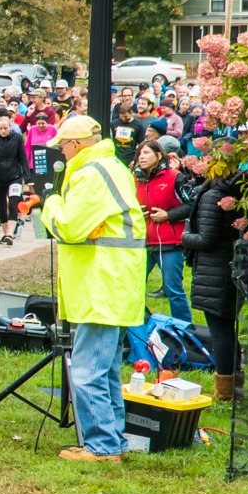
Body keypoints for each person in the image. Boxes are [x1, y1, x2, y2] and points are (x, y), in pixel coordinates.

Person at [38, 114, 146, 462]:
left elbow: (68, 227)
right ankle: (113, 438)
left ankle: (102, 447)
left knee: (87, 371)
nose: (62, 153)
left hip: (101, 284)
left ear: (76, 145)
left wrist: (50, 203)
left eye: (63, 146)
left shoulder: (90, 174)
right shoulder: (110, 165)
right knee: (106, 369)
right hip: (112, 283)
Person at [180, 159, 245, 402]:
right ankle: (235, 384)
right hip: (230, 266)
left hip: (214, 270)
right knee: (227, 328)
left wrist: (185, 236)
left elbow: (206, 238)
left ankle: (225, 391)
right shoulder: (238, 192)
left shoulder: (213, 195)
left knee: (219, 330)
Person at [133, 140, 192, 324]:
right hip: (142, 241)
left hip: (169, 242)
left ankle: (184, 330)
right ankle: (140, 325)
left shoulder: (175, 177)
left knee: (173, 289)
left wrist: (168, 215)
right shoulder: (136, 180)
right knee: (132, 286)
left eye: (146, 153)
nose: (142, 157)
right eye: (139, 154)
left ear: (158, 156)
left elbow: (192, 205)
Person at [0, 111, 28, 246]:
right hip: (0, 177)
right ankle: (5, 233)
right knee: (1, 206)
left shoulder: (17, 138)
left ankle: (10, 233)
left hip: (15, 176)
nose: (3, 131)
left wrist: (27, 176)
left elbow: (22, 157)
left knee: (13, 203)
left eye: (5, 128)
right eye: (1, 128)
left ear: (10, 127)